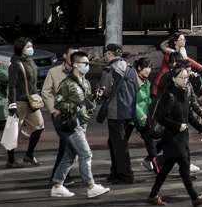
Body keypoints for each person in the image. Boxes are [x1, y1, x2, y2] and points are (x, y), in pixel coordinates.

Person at [50, 50, 110, 199]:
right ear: (76, 64)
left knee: (70, 156)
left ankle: (57, 185)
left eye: (88, 63)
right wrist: (74, 106)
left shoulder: (86, 82)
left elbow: (89, 104)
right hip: (71, 123)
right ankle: (90, 186)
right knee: (86, 153)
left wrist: (96, 96)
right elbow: (58, 104)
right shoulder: (67, 83)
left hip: (82, 122)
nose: (87, 66)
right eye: (85, 63)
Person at [147, 65, 202, 206]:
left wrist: (201, 128)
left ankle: (153, 195)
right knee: (185, 168)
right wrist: (177, 125)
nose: (185, 80)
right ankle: (194, 198)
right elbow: (160, 117)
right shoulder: (169, 95)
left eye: (187, 77)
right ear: (174, 79)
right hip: (173, 138)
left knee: (166, 169)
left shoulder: (184, 92)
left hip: (182, 138)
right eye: (182, 77)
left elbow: (189, 116)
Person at [97, 44, 136, 184]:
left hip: (115, 110)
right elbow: (137, 86)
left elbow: (104, 90)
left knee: (118, 144)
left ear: (109, 54)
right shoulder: (130, 68)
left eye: (105, 54)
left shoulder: (109, 69)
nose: (104, 57)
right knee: (115, 142)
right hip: (129, 110)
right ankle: (115, 173)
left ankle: (125, 175)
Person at [6, 36, 46, 168]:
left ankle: (29, 154)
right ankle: (10, 160)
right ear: (20, 49)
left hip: (32, 100)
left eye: (31, 46)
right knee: (12, 131)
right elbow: (11, 86)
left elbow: (32, 81)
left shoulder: (30, 61)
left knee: (39, 125)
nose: (31, 49)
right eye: (28, 47)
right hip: (20, 102)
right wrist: (12, 104)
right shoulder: (15, 64)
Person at [42, 44, 77, 181]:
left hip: (74, 113)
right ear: (65, 56)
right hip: (59, 113)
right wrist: (53, 109)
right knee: (66, 142)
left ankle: (61, 175)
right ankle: (58, 177)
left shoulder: (79, 71)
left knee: (69, 144)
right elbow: (46, 91)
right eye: (72, 55)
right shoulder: (54, 72)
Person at [127, 59, 160, 175]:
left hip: (143, 118)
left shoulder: (146, 81)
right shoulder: (133, 81)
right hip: (131, 117)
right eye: (146, 67)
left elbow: (147, 99)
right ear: (139, 68)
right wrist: (141, 114)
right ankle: (119, 169)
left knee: (150, 142)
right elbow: (131, 101)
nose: (148, 70)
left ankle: (157, 168)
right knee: (121, 143)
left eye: (150, 67)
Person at [153, 33, 202, 97]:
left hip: (173, 83)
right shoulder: (170, 53)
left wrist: (201, 68)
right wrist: (190, 72)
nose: (184, 41)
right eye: (182, 39)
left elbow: (188, 61)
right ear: (175, 42)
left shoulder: (181, 52)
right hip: (162, 85)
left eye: (184, 39)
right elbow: (178, 65)